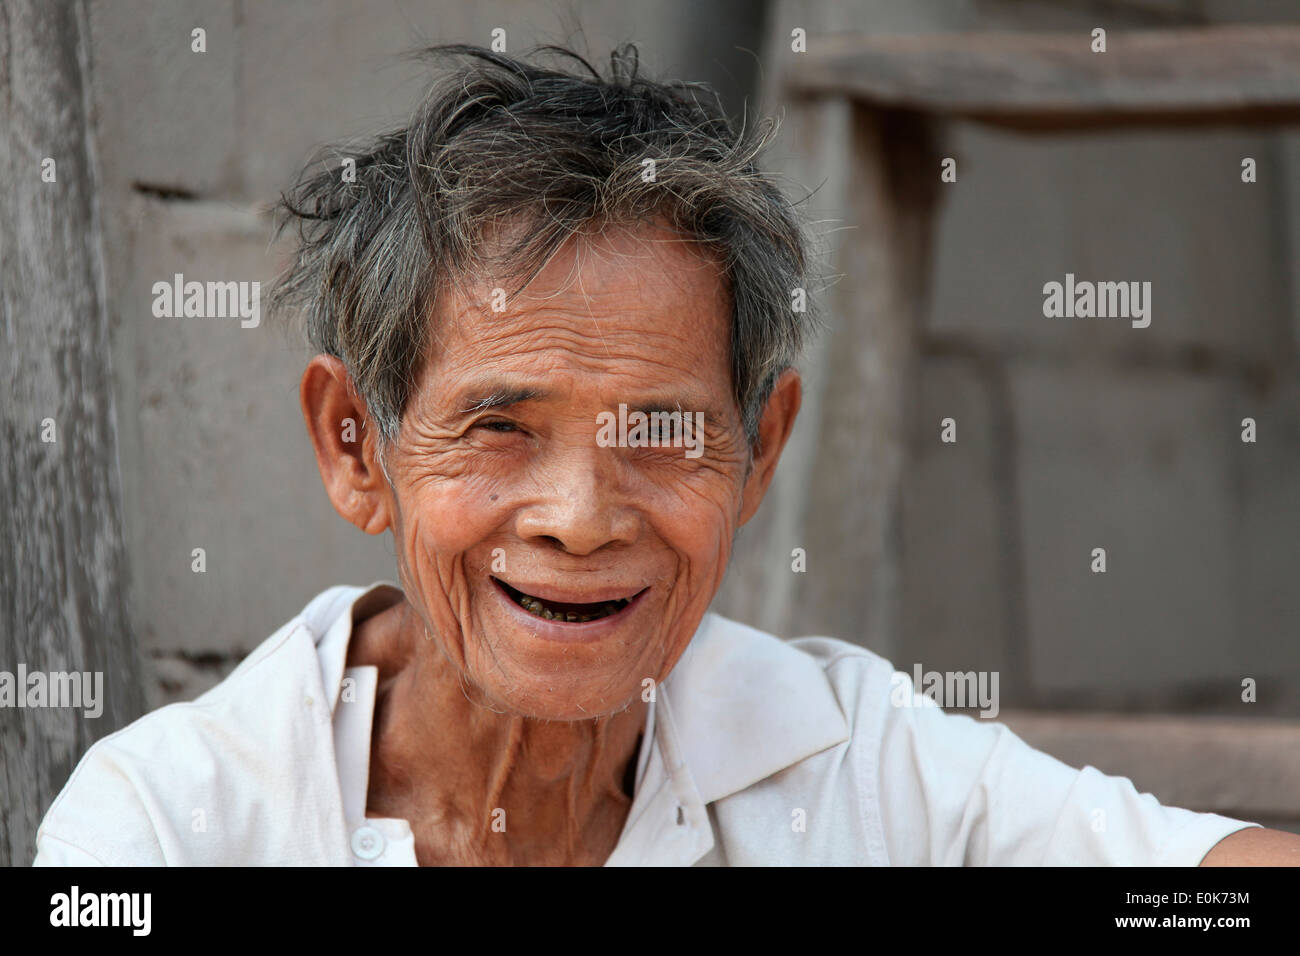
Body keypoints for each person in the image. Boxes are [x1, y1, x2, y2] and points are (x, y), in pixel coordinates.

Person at [32, 43, 1300, 866]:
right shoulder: (167, 825)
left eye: (664, 434)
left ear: (759, 455)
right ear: (357, 445)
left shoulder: (840, 756)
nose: (580, 516)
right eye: (498, 426)